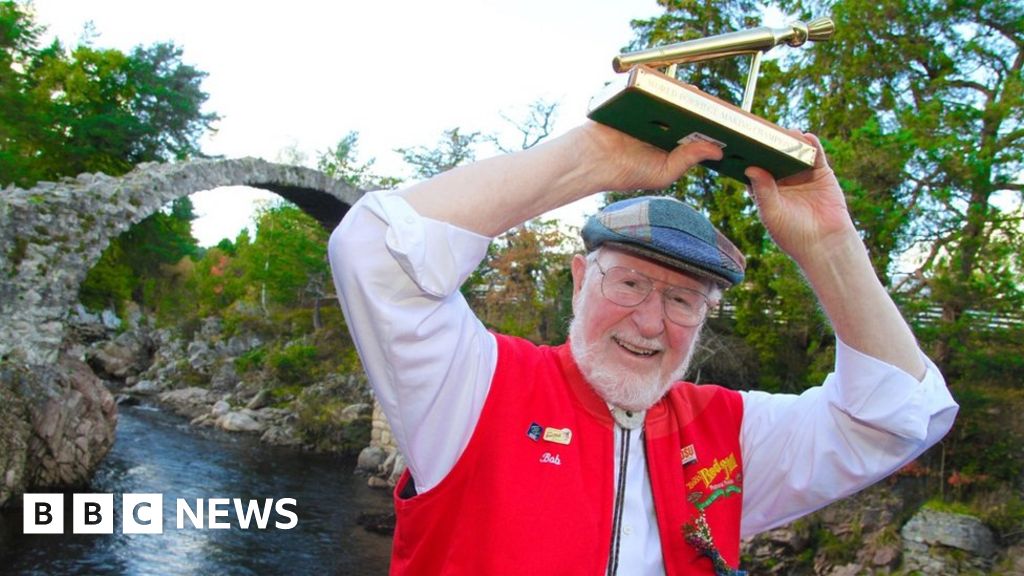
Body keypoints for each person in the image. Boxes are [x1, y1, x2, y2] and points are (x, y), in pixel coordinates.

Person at [328, 120, 958, 576]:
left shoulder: (728, 437)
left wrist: (828, 242)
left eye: (684, 300)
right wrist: (593, 156)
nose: (652, 322)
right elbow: (373, 251)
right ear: (580, 280)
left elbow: (900, 416)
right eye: (629, 282)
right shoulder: (474, 388)